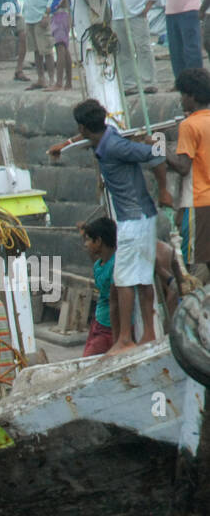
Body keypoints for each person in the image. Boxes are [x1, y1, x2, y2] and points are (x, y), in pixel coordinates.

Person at [48, 99, 173, 352]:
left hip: (132, 218)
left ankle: (125, 339)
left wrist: (163, 190)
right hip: (140, 216)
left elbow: (156, 155)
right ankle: (148, 333)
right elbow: (85, 138)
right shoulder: (108, 135)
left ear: (83, 126)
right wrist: (67, 144)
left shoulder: (114, 146)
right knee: (141, 278)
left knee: (124, 281)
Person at [163, 67, 210, 282]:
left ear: (191, 95)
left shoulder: (189, 126)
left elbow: (182, 166)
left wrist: (159, 148)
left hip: (198, 202)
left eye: (182, 94)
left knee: (194, 266)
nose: (181, 99)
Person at [108, 0, 159, 95]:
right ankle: (129, 84)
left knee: (143, 47)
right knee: (122, 50)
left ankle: (148, 83)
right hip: (117, 14)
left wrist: (148, 6)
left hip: (138, 13)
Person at [80, 216, 117, 356]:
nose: (86, 244)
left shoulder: (115, 266)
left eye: (89, 239)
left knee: (86, 362)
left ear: (99, 241)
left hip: (109, 328)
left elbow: (115, 302)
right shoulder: (98, 265)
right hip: (98, 322)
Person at [163, 0, 206, 82]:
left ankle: (196, 82)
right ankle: (181, 82)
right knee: (176, 51)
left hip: (189, 8)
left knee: (191, 49)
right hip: (170, 11)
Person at [21, 0, 56, 90]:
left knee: (46, 50)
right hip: (29, 17)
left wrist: (47, 14)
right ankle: (41, 79)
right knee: (36, 50)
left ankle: (52, 79)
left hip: (40, 17)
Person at [47, 0, 72, 91]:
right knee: (64, 48)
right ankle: (68, 82)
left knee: (60, 47)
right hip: (60, 13)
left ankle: (59, 82)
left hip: (60, 14)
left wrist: (60, 3)